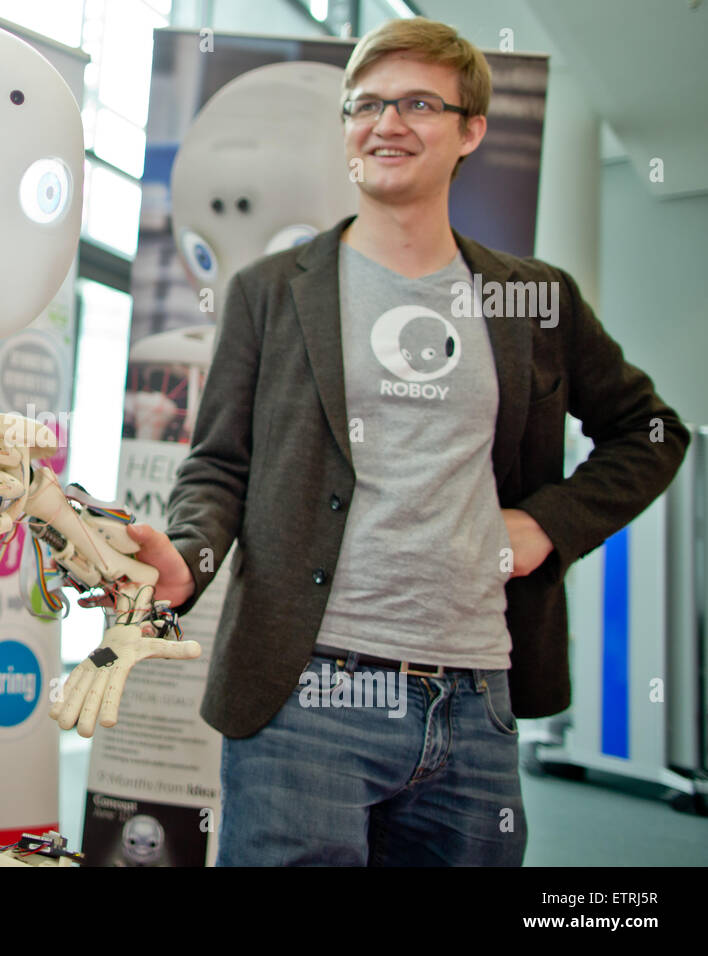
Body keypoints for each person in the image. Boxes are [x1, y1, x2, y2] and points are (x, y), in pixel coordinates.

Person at [120, 17, 690, 865]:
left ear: (471, 131)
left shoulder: (531, 299)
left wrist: (549, 524)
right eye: (367, 104)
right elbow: (220, 466)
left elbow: (651, 432)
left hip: (474, 704)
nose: (387, 123)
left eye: (418, 103)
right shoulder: (271, 292)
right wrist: (192, 554)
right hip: (303, 696)